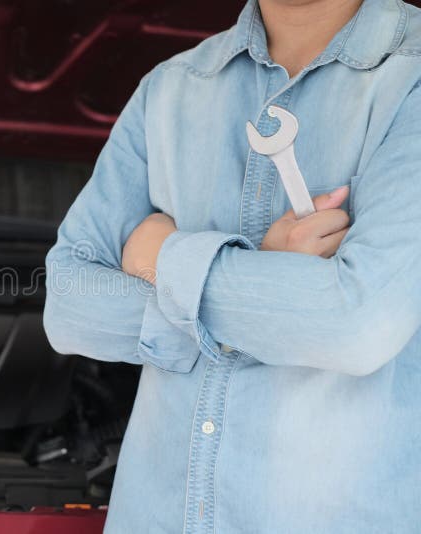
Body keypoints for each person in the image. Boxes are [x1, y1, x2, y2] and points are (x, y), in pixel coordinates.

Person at [43, 0, 421, 532]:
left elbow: (356, 325)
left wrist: (162, 256)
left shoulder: (411, 83)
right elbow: (68, 307)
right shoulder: (169, 88)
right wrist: (267, 276)